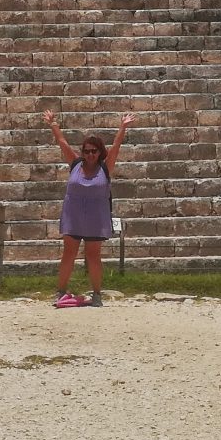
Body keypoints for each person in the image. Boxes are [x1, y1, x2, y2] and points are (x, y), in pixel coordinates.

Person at [42, 109, 131, 308]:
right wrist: (53, 123)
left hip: (95, 218)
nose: (90, 155)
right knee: (69, 254)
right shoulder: (75, 164)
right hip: (73, 215)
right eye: (87, 151)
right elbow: (62, 143)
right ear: (82, 152)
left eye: (94, 151)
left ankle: (97, 294)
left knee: (93, 255)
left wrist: (123, 127)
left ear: (100, 152)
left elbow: (116, 146)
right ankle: (61, 292)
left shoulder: (106, 168)